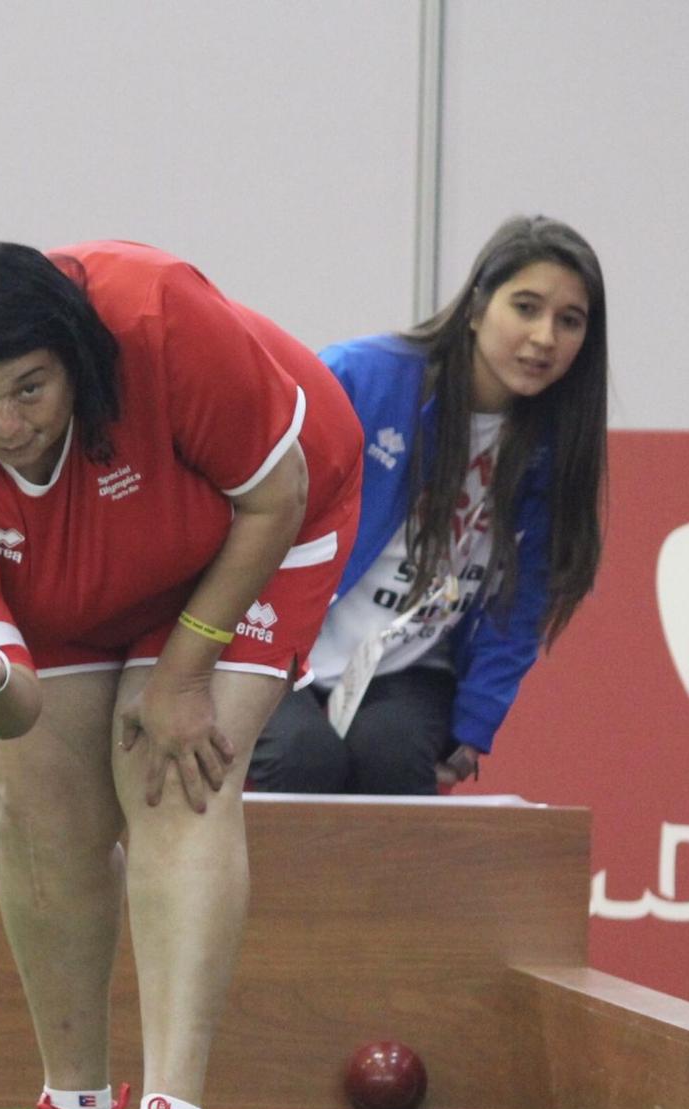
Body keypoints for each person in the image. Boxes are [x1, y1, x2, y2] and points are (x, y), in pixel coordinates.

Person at [0, 240, 362, 1109]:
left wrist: (185, 670)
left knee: (171, 763)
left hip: (251, 522)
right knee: (32, 790)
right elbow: (19, 701)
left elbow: (278, 492)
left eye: (30, 390)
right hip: (70, 558)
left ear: (76, 358)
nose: (4, 424)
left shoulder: (159, 319)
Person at [246, 215, 608, 796]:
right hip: (278, 644)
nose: (545, 337)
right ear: (475, 307)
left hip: (405, 668)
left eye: (570, 321)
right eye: (526, 307)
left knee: (393, 762)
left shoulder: (558, 447)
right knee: (301, 764)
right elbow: (249, 498)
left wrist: (472, 727)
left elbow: (521, 603)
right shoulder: (362, 376)